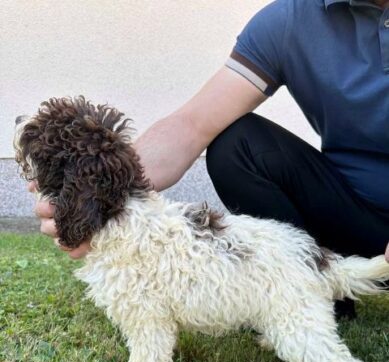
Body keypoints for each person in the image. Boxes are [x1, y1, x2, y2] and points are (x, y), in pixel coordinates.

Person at [31, 1, 389, 282]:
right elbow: (191, 125)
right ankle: (310, 286)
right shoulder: (291, 20)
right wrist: (99, 191)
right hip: (352, 214)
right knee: (236, 144)